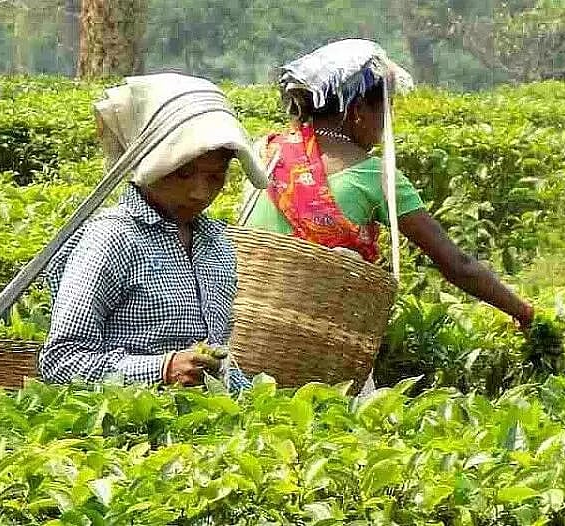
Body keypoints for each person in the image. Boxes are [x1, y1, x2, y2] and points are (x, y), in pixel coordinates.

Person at [240, 39, 533, 328]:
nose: (385, 122)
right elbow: (458, 265)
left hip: (246, 324)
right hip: (319, 337)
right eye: (385, 109)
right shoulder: (375, 177)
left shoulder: (268, 152)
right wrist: (523, 312)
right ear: (358, 112)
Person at [39, 73, 270, 393]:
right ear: (150, 166)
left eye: (215, 176)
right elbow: (61, 361)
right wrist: (160, 370)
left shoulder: (217, 244)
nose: (200, 193)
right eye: (183, 173)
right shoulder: (111, 241)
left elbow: (218, 363)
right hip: (133, 428)